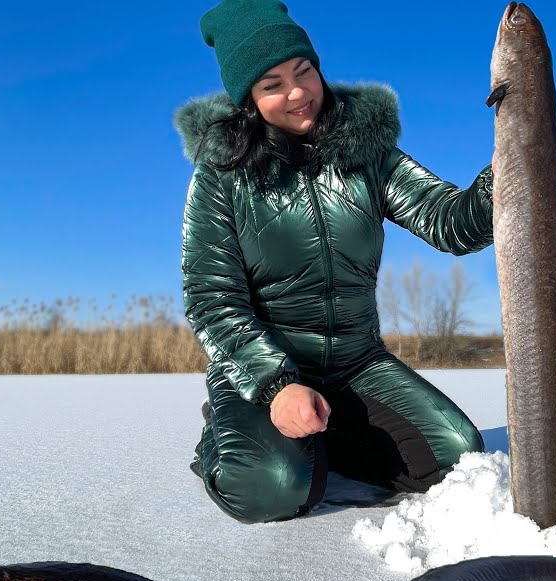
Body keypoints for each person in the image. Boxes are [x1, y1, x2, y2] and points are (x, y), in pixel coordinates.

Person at [176, 0, 494, 523]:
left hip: (356, 364)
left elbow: (450, 224)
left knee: (458, 459)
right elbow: (211, 298)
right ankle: (232, 429)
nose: (298, 92)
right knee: (274, 490)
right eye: (273, 84)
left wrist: (502, 176)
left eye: (304, 72)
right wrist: (276, 386)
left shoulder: (366, 152)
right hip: (265, 368)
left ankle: (327, 437)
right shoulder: (223, 172)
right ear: (249, 99)